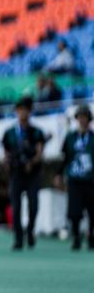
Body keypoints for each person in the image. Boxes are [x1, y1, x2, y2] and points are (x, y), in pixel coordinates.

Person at [1, 96, 46, 250]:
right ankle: (18, 238)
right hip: (16, 174)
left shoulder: (36, 132)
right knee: (16, 206)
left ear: (29, 112)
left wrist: (31, 163)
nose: (22, 113)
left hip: (32, 173)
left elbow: (40, 152)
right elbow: (6, 153)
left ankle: (31, 231)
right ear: (16, 112)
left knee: (33, 205)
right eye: (19, 110)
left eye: (25, 110)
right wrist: (6, 162)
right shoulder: (9, 133)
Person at [55, 105, 94, 251]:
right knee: (74, 211)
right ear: (77, 119)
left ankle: (91, 237)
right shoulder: (70, 137)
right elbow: (65, 158)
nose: (82, 120)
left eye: (85, 117)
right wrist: (59, 174)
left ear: (89, 119)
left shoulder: (93, 138)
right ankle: (77, 237)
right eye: (80, 117)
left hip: (90, 179)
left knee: (92, 211)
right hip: (74, 179)